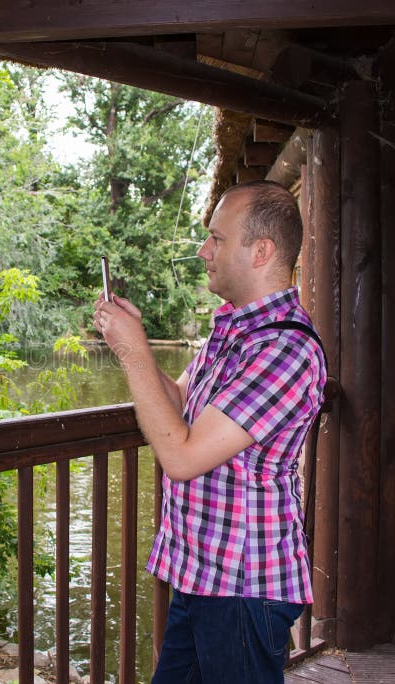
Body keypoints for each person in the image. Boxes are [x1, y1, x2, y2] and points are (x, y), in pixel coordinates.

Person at [94, 180, 326, 683]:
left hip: (243, 586)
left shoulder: (284, 350)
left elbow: (182, 456)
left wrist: (134, 350)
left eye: (217, 239)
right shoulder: (234, 329)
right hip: (202, 573)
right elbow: (179, 402)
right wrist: (131, 348)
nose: (204, 251)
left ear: (260, 251)